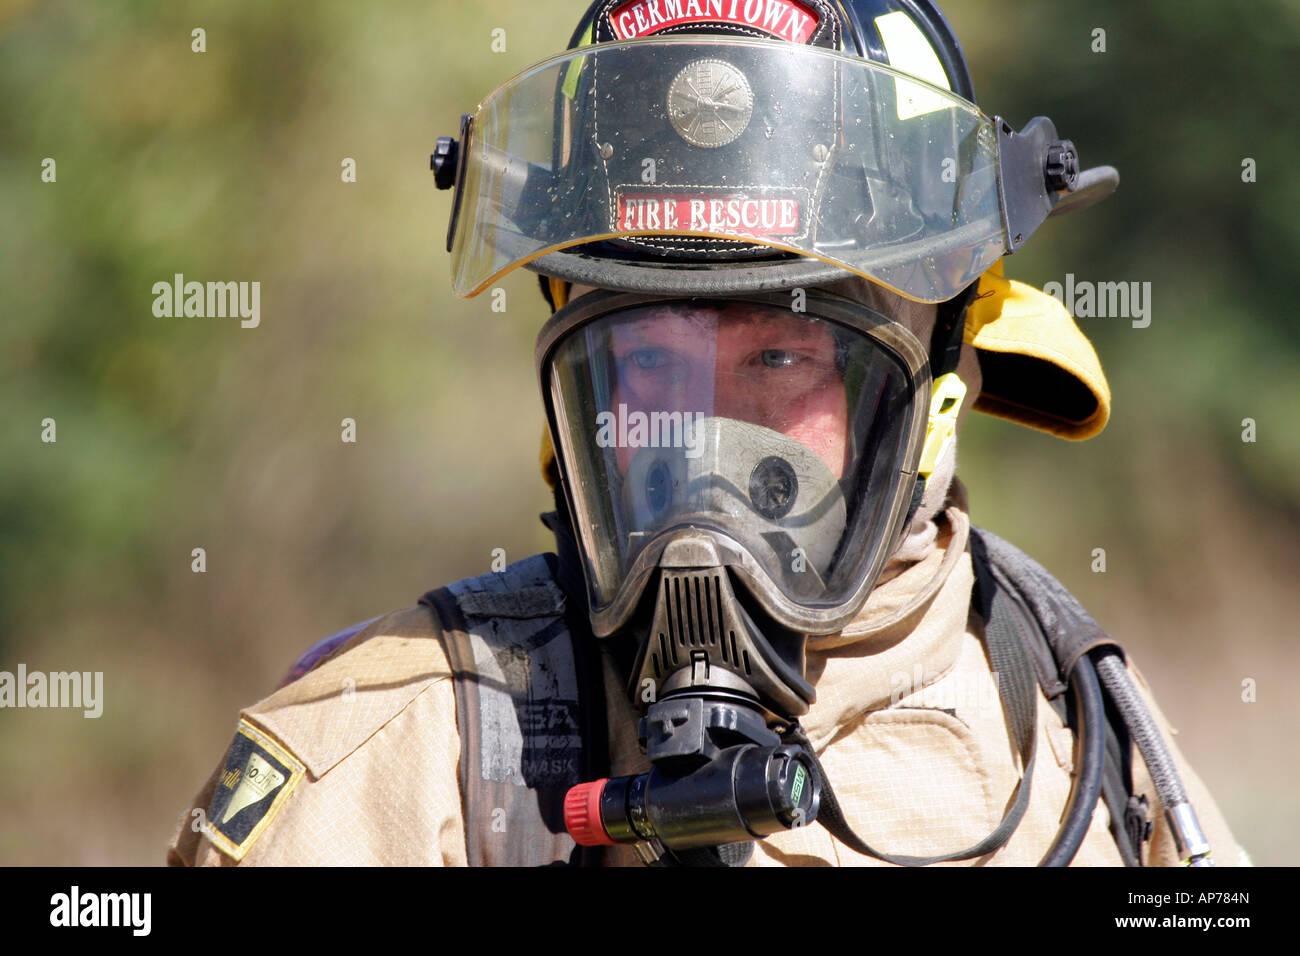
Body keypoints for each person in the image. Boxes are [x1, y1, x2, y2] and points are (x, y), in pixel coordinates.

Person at [168, 0, 1248, 867]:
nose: (707, 447)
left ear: (934, 384)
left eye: (780, 358)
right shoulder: (398, 751)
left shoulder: (1074, 728)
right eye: (648, 361)